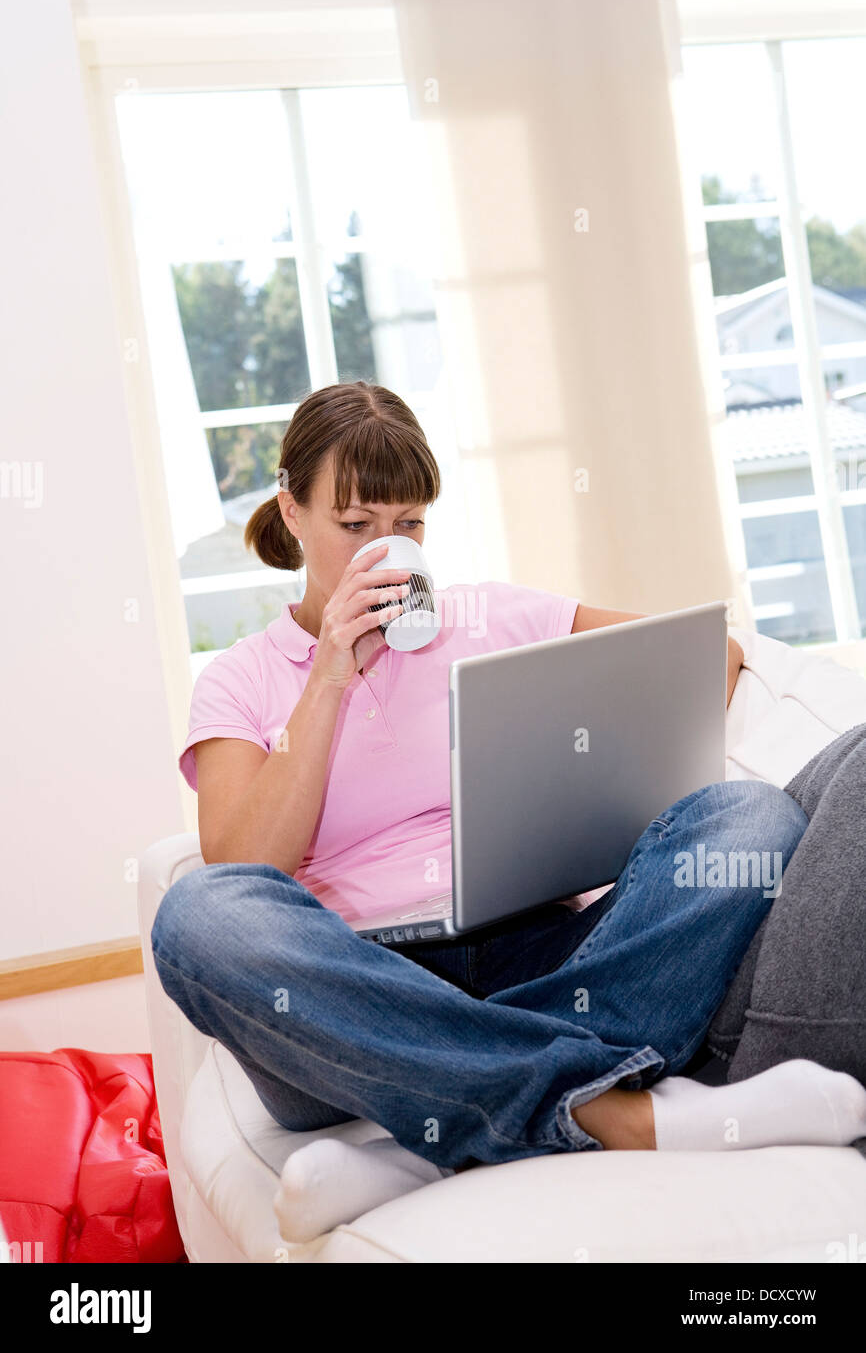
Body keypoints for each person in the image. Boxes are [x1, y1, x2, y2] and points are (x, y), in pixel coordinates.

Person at [152, 381, 866, 1235]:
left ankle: (415, 1142)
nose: (387, 549)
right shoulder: (239, 679)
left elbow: (703, 656)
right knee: (197, 914)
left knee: (750, 819)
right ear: (292, 510)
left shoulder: (488, 616)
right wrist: (332, 667)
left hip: (543, 953)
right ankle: (612, 1107)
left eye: (409, 525)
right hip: (359, 990)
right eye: (356, 525)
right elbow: (243, 861)